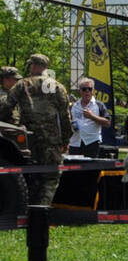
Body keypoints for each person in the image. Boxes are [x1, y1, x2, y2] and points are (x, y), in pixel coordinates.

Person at [0, 54, 72, 207]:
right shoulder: (57, 86)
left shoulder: (22, 84)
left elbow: (7, 107)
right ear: (45, 67)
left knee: (32, 175)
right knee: (51, 176)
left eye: (31, 65)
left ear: (34, 66)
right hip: (51, 139)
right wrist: (65, 140)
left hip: (29, 139)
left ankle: (29, 209)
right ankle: (42, 209)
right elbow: (65, 116)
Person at [70, 79, 112, 157]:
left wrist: (92, 116)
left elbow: (108, 123)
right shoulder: (73, 106)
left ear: (93, 91)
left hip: (92, 143)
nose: (87, 91)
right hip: (75, 143)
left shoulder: (99, 105)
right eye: (84, 89)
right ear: (79, 91)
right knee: (74, 168)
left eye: (89, 89)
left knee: (91, 168)